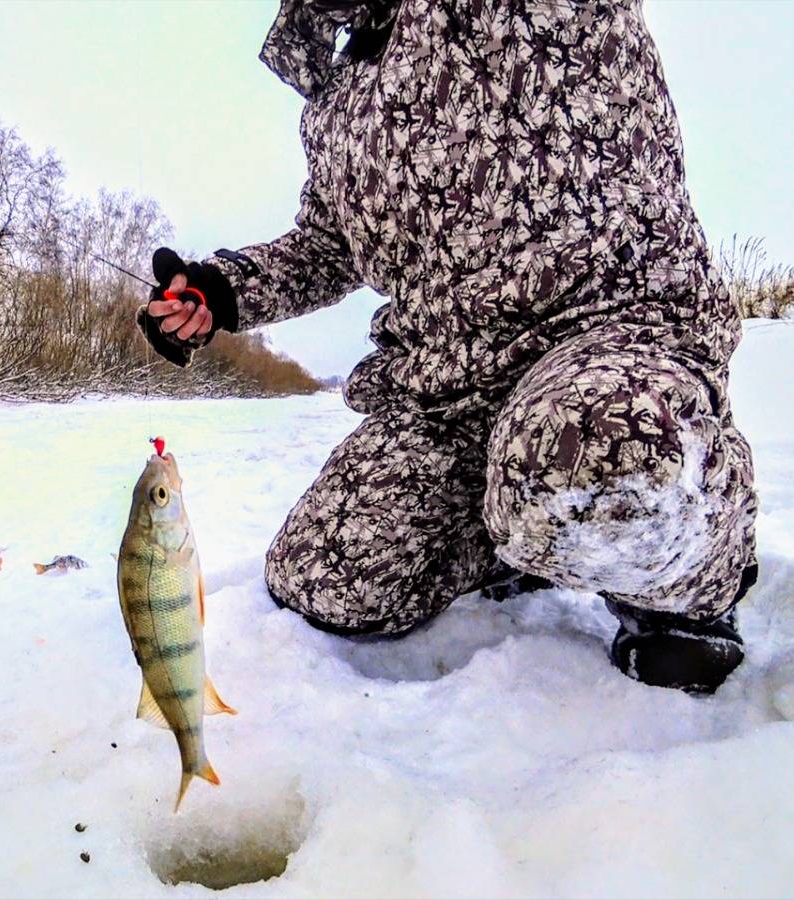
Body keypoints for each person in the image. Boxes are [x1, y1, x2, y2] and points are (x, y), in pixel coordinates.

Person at [139, 0, 758, 694]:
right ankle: (512, 533)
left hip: (608, 331)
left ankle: (690, 585)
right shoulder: (338, 97)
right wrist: (224, 291)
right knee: (325, 573)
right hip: (453, 388)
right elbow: (329, 243)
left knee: (599, 449)